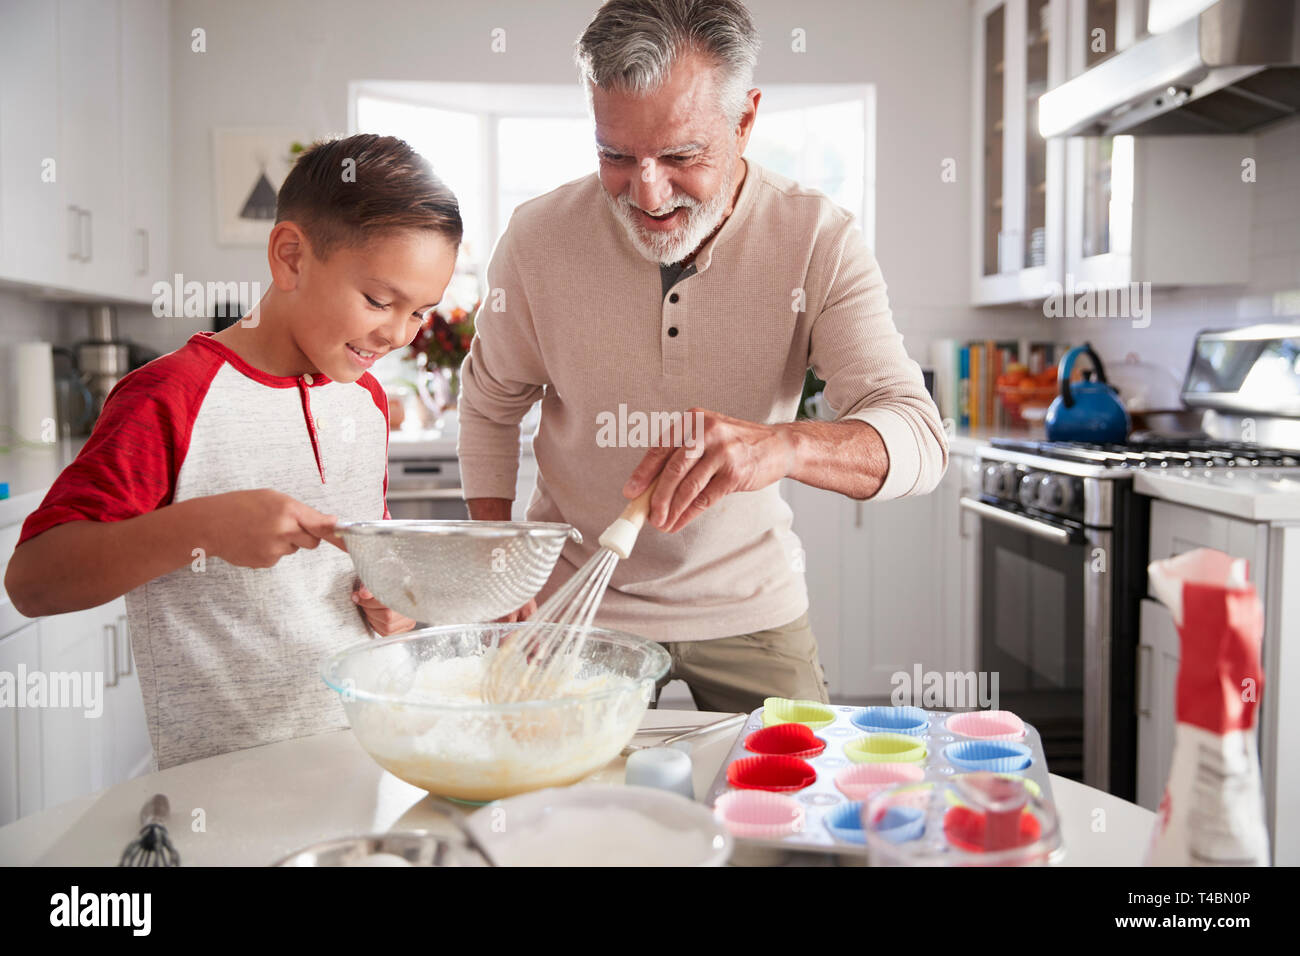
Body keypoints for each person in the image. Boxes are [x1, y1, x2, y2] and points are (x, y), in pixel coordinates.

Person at [457, 0, 949, 713]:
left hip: (749, 604)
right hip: (577, 598)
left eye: (682, 157)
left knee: (786, 813)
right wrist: (500, 567)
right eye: (615, 156)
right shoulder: (538, 239)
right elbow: (489, 406)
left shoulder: (816, 238)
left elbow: (920, 439)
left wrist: (783, 447)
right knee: (566, 811)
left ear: (745, 119)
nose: (648, 193)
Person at [4, 134, 457, 768]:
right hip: (221, 790)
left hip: (362, 758)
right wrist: (205, 528)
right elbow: (34, 581)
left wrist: (392, 606)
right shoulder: (171, 396)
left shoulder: (367, 402)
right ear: (291, 257)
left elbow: (349, 579)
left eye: (421, 313)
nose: (397, 335)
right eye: (379, 301)